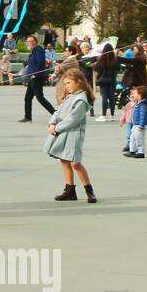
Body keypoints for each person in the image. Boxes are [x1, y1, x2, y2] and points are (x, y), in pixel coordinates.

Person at [46, 66, 96, 203]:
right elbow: (58, 112)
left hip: (73, 134)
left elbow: (73, 119)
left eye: (68, 83)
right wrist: (52, 123)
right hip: (63, 132)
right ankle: (70, 190)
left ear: (79, 81)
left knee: (75, 163)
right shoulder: (70, 96)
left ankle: (89, 190)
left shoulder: (81, 99)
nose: (66, 86)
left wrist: (57, 128)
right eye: (65, 83)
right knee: (64, 159)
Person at [18, 34, 55, 122]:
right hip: (32, 77)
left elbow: (40, 62)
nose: (28, 43)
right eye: (28, 41)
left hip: (36, 77)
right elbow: (32, 64)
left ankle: (55, 113)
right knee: (28, 98)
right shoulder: (34, 50)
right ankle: (28, 117)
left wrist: (35, 74)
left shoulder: (38, 50)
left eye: (30, 41)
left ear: (35, 42)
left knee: (40, 98)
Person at [93, 44, 118, 122]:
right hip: (112, 80)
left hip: (103, 81)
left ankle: (104, 115)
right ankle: (112, 116)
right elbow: (119, 68)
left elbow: (97, 68)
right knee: (112, 98)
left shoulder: (101, 59)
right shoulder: (114, 59)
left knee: (104, 98)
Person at [124, 85, 147, 159]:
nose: (132, 95)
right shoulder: (138, 104)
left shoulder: (143, 105)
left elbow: (143, 115)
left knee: (139, 139)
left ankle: (141, 152)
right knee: (133, 138)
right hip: (135, 125)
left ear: (140, 95)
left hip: (139, 126)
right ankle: (132, 151)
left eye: (134, 93)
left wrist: (141, 125)